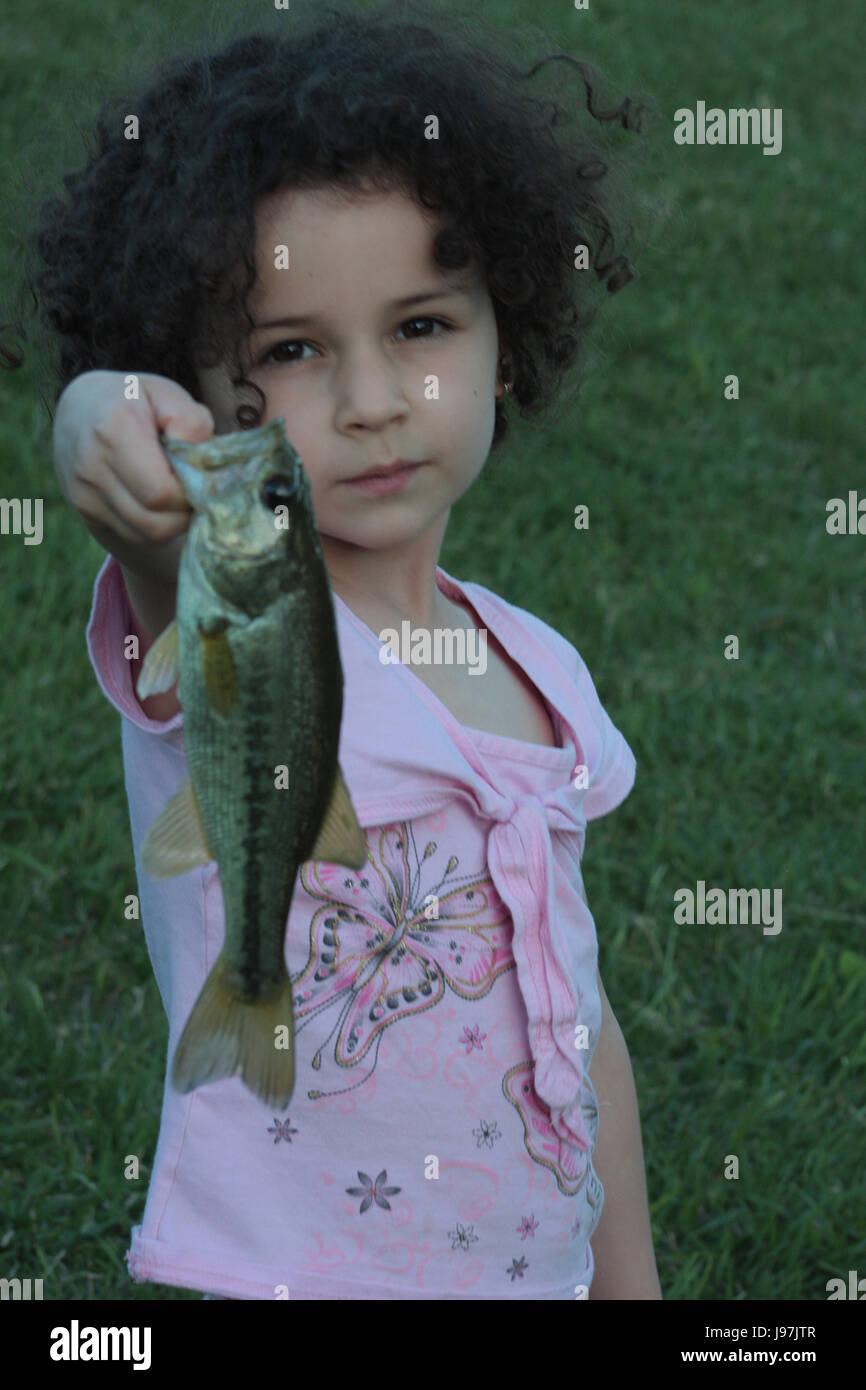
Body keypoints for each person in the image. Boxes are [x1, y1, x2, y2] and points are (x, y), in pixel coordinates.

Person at [9, 0, 661, 1299]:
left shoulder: (540, 669)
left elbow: (574, 1019)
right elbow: (127, 466)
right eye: (291, 351)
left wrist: (626, 1277)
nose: (370, 402)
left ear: (504, 332)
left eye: (421, 327)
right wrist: (105, 416)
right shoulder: (234, 598)